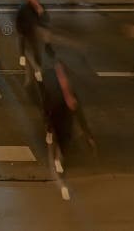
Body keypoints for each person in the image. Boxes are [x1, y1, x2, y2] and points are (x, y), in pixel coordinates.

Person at [40, 45, 96, 176]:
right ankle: (51, 136)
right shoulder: (50, 78)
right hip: (54, 112)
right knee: (56, 131)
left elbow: (79, 112)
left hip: (63, 117)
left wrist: (88, 134)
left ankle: (58, 158)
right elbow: (47, 101)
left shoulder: (71, 94)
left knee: (64, 139)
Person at [16, 0, 49, 71]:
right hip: (25, 31)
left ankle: (38, 68)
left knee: (36, 51)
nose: (34, 1)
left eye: (35, 0)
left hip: (35, 33)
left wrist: (40, 13)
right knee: (22, 42)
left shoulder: (41, 8)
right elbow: (18, 19)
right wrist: (19, 30)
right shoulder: (24, 8)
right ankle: (22, 56)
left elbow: (46, 20)